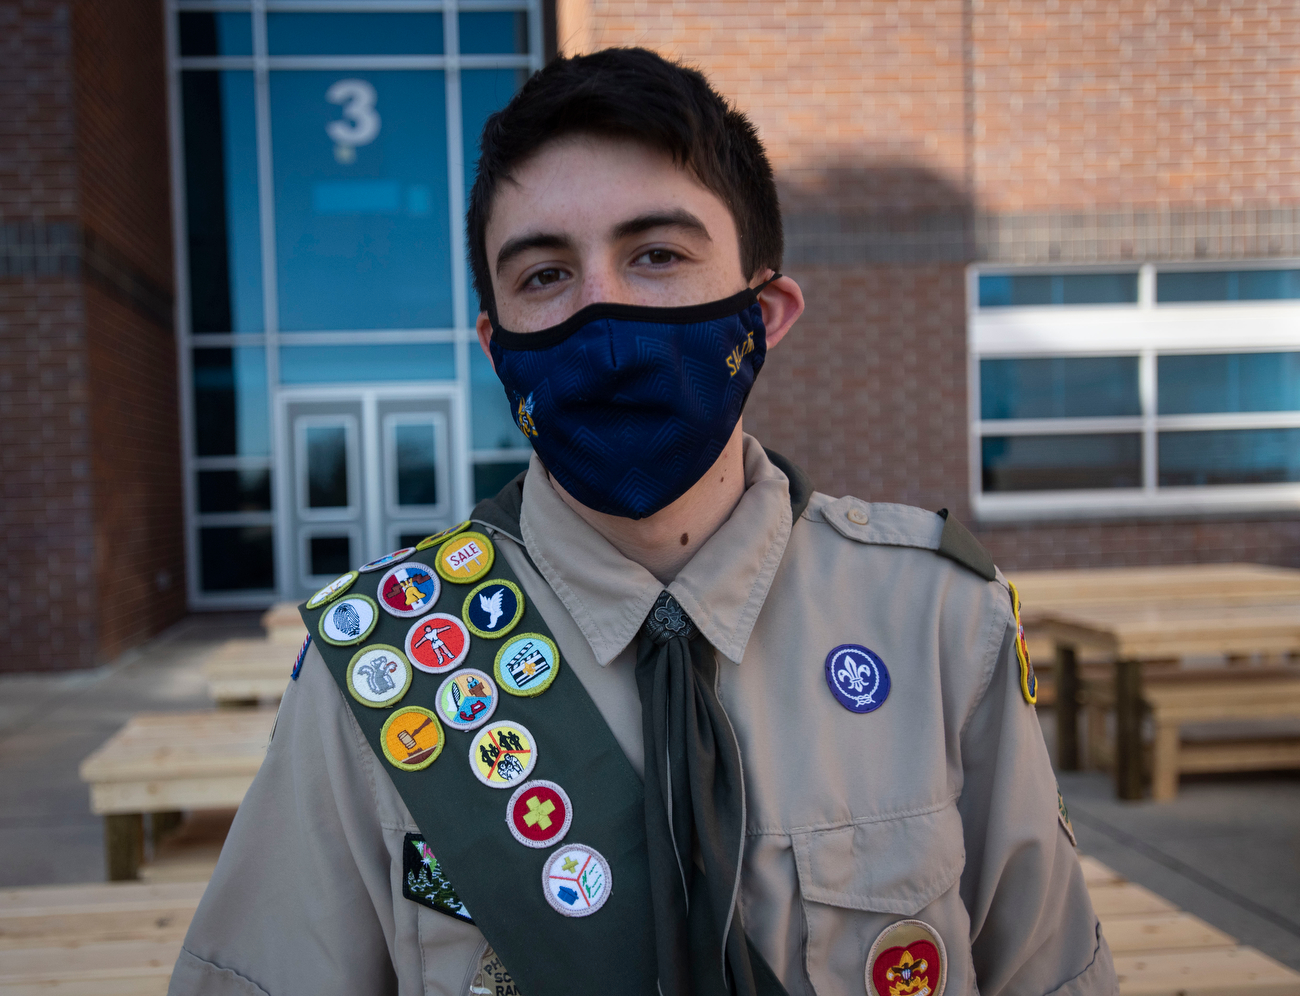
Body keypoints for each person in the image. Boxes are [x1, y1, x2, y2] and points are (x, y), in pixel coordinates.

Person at [170, 47, 1116, 996]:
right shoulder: (386, 664)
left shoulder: (941, 620)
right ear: (497, 348)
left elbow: (1051, 973)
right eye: (543, 273)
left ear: (766, 310)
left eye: (657, 255)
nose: (603, 311)